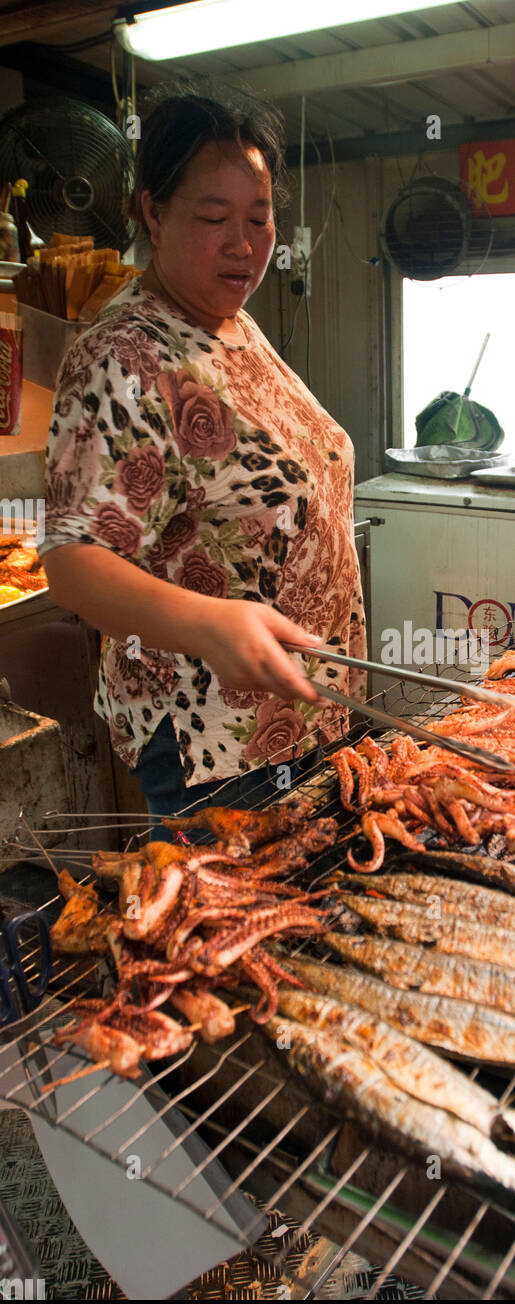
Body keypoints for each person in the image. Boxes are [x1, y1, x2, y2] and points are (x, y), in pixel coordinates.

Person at [39, 85, 366, 835]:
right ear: (152, 212)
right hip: (213, 741)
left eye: (258, 219)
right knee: (230, 937)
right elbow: (73, 559)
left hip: (302, 715)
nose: (244, 245)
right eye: (214, 219)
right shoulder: (122, 354)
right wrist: (209, 623)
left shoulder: (233, 324)